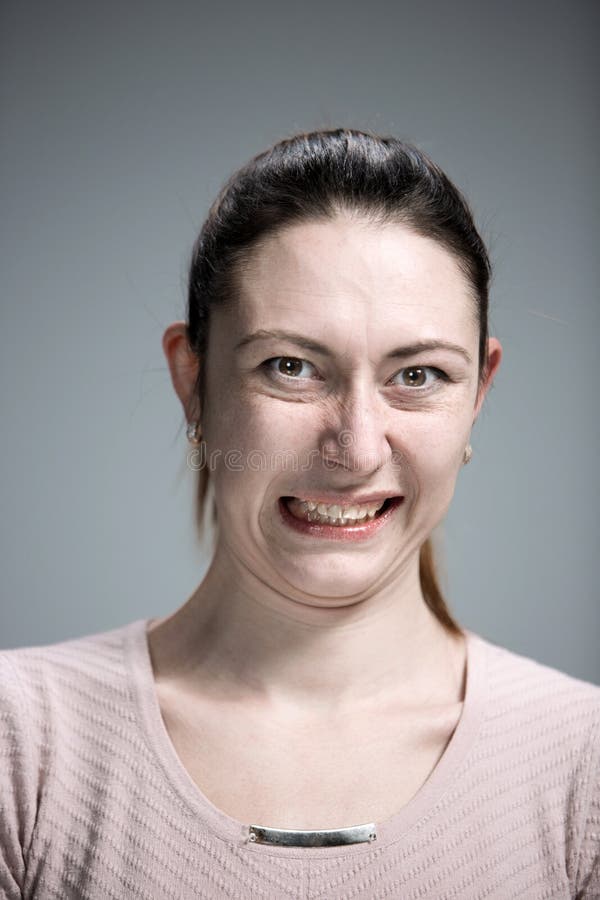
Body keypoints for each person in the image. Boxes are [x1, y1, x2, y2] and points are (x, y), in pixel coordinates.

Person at [1, 128, 598, 900]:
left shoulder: (583, 765)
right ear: (192, 380)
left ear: (479, 391)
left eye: (418, 374)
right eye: (291, 367)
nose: (355, 449)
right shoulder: (22, 745)